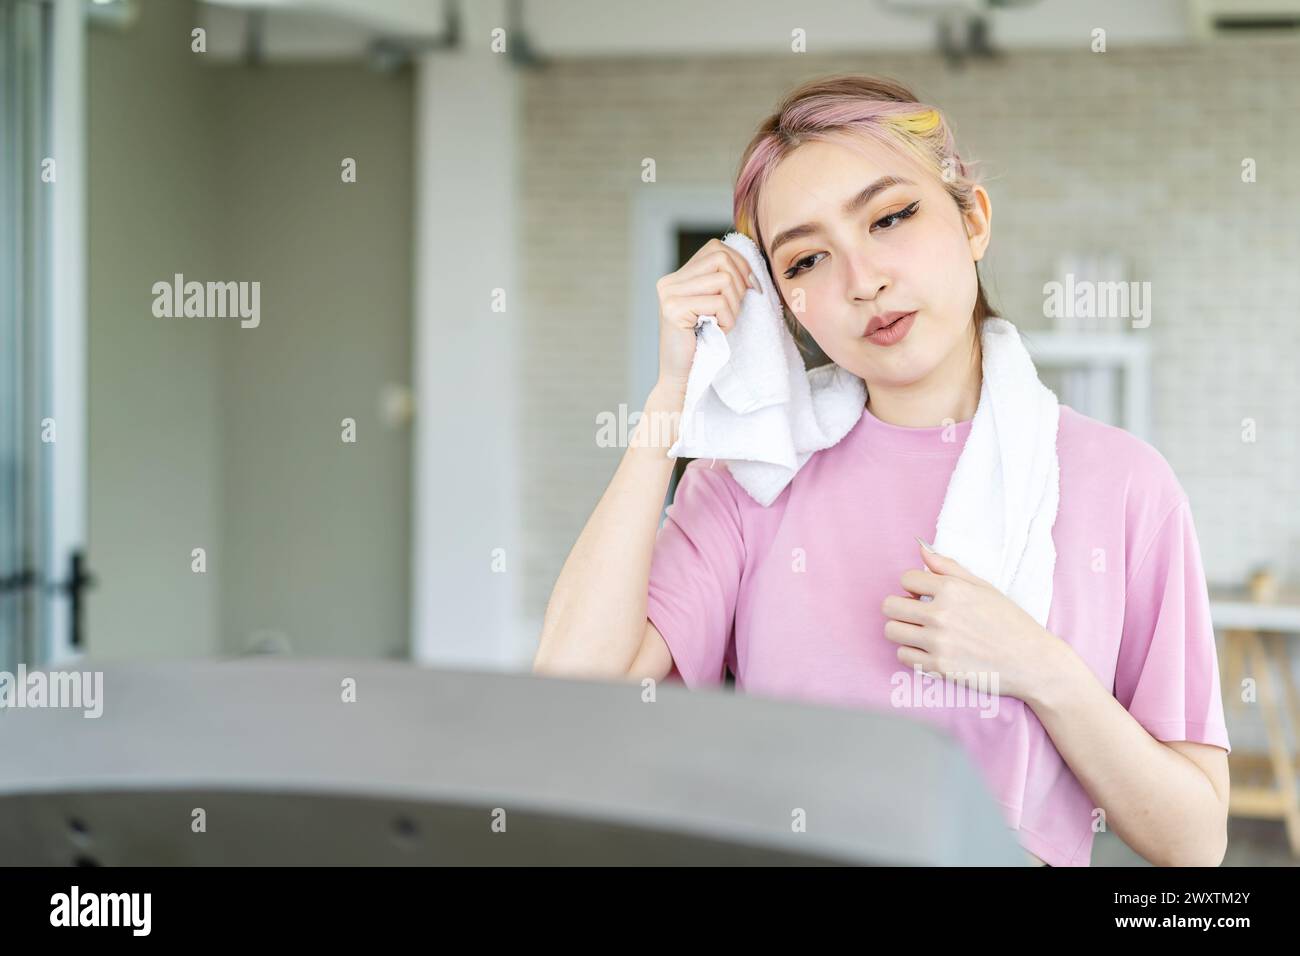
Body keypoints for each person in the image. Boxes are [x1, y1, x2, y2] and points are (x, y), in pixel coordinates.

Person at [533, 73, 1230, 868]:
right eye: (805, 261)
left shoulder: (1125, 486)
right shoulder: (749, 482)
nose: (862, 280)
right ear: (783, 305)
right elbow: (570, 699)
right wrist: (671, 398)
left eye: (891, 217)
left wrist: (1043, 670)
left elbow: (1195, 843)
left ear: (973, 218)